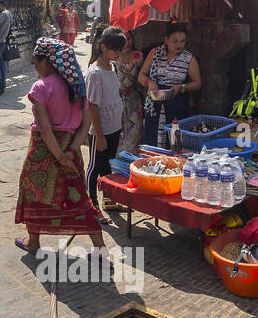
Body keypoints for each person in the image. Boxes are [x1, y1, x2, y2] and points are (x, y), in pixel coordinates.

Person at [12, 36, 101, 253]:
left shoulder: (41, 87)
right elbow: (85, 124)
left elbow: (45, 128)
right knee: (79, 197)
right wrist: (69, 152)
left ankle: (34, 242)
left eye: (36, 64)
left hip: (44, 150)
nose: (36, 69)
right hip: (72, 148)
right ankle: (101, 251)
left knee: (34, 192)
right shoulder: (77, 88)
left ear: (47, 62)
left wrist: (59, 157)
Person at [139, 25, 196, 145]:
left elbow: (198, 83)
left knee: (175, 143)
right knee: (152, 141)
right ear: (166, 40)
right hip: (155, 106)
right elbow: (141, 76)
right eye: (175, 41)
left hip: (178, 106)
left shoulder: (188, 58)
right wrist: (150, 82)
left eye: (182, 41)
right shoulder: (155, 53)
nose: (179, 45)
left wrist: (182, 87)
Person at [84, 27, 130, 172]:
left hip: (114, 127)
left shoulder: (113, 67)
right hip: (101, 130)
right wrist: (99, 135)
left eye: (120, 50)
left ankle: (106, 194)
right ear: (103, 47)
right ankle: (90, 195)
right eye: (115, 50)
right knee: (94, 167)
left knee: (108, 167)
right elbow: (92, 106)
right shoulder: (95, 73)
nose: (118, 54)